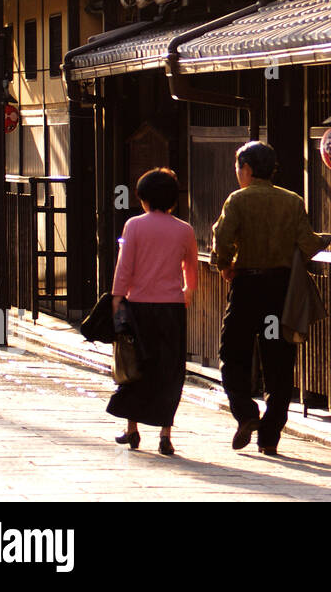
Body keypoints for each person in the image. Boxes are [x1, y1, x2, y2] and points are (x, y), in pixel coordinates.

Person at [212, 141, 328, 456]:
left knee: (233, 352)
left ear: (247, 169)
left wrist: (224, 266)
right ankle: (270, 436)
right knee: (277, 357)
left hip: (247, 288)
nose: (238, 173)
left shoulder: (238, 199)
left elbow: (222, 239)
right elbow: (307, 243)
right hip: (279, 292)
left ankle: (246, 413)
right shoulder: (292, 201)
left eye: (238, 167)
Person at [106, 167, 198, 455]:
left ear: (143, 198)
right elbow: (191, 267)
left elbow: (125, 265)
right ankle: (165, 433)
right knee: (168, 370)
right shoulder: (185, 230)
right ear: (173, 199)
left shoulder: (133, 225)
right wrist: (188, 292)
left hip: (140, 306)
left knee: (137, 367)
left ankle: (132, 429)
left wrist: (117, 297)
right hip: (171, 308)